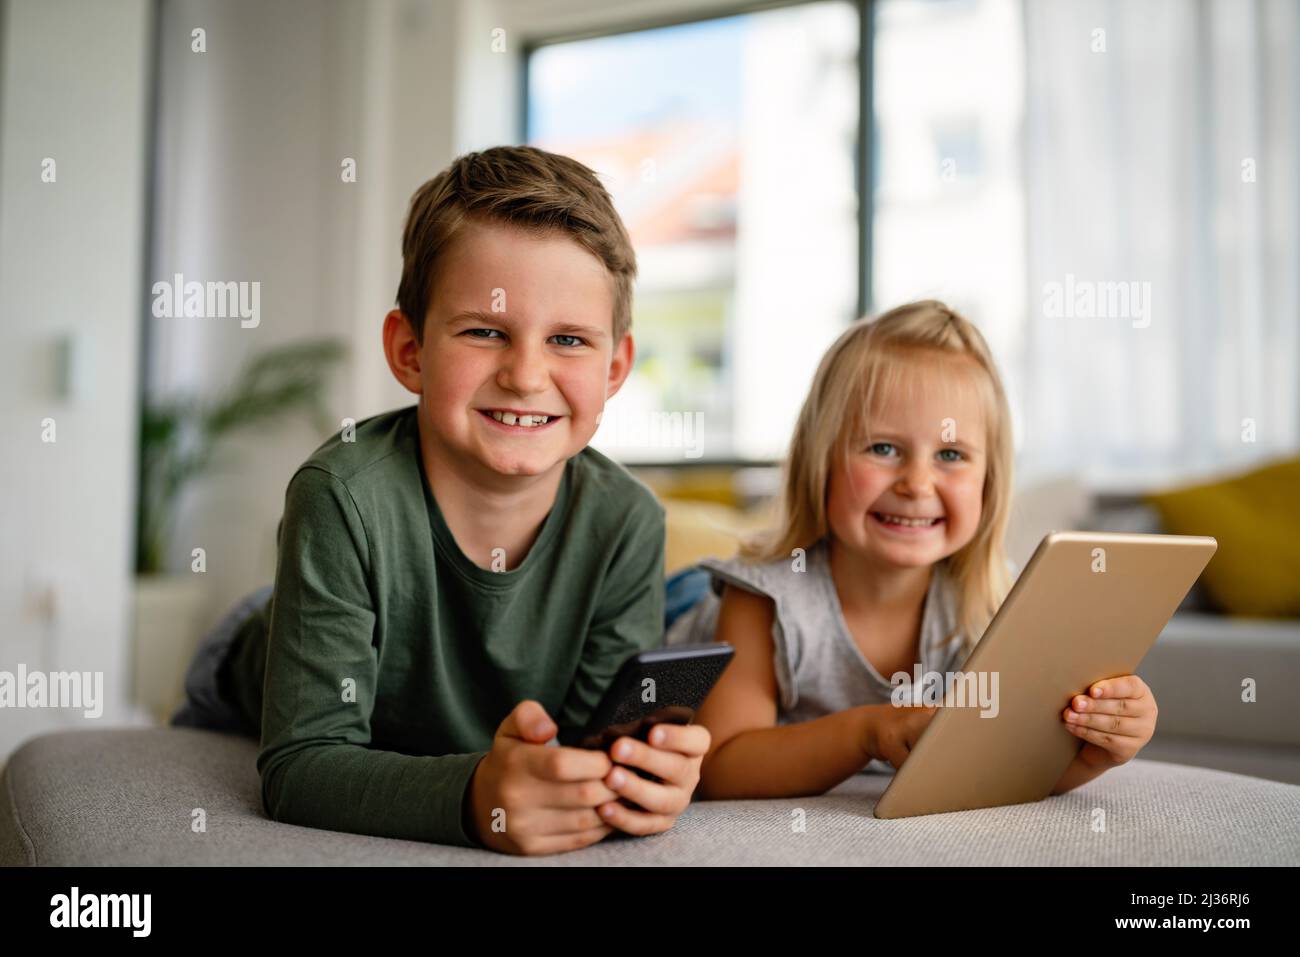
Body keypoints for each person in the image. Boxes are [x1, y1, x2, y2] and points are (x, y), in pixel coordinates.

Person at [172, 146, 709, 855]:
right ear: (410, 351)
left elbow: (583, 746)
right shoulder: (342, 497)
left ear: (614, 368)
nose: (525, 375)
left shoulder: (628, 519)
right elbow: (300, 764)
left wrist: (641, 774)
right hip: (258, 655)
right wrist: (474, 795)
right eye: (485, 331)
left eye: (568, 340)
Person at [666, 300, 1159, 799]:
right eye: (882, 448)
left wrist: (1095, 752)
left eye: (950, 455)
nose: (917, 483)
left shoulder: (990, 599)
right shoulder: (761, 598)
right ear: (822, 462)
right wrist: (870, 732)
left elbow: (1005, 761)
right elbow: (722, 768)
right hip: (681, 616)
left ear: (990, 480)